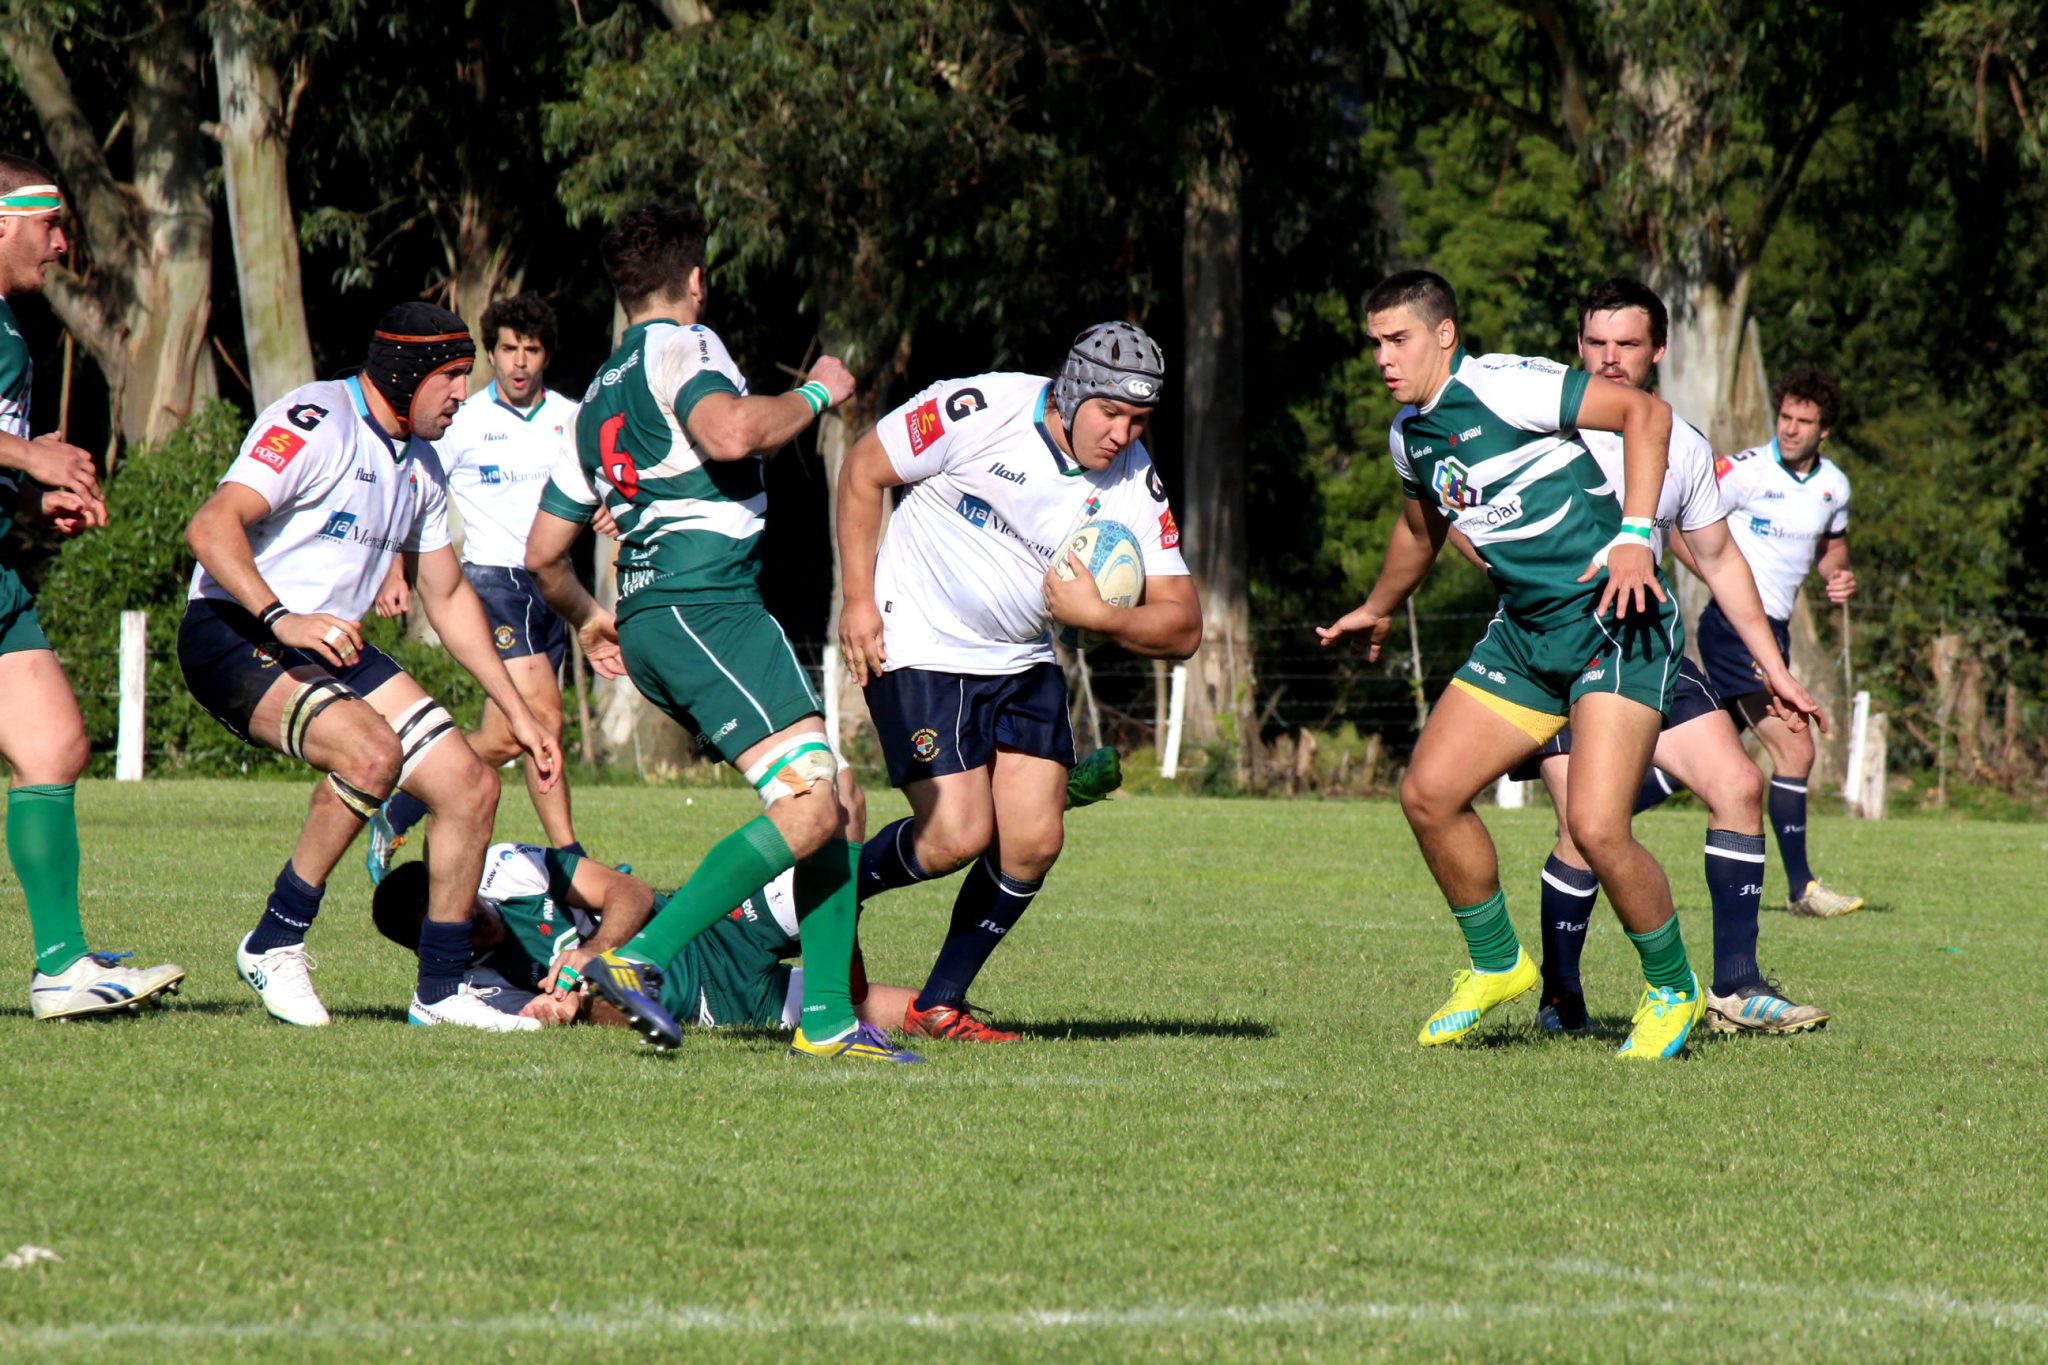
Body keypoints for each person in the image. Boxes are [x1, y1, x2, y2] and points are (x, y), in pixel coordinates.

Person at [524, 200, 920, 1063]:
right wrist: (819, 389)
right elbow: (733, 429)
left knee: (837, 800)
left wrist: (593, 619)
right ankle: (639, 958)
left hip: (667, 616)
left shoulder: (589, 401)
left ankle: (824, 1018)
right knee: (817, 805)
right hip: (708, 608)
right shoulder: (687, 346)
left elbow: (543, 554)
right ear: (694, 281)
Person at [1318, 269, 1701, 1060]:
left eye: (1401, 340)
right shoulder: (1408, 434)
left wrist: (1635, 534)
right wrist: (1380, 603)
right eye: (1376, 344)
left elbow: (1645, 411)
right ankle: (1497, 963)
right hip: (1526, 636)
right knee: (1427, 793)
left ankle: (1672, 987)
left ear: (1445, 335)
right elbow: (1420, 531)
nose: (1386, 358)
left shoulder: (1504, 385)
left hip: (1613, 621)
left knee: (1595, 827)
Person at [179, 301, 562, 1032]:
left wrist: (519, 714)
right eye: (451, 376)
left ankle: (441, 992)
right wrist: (280, 616)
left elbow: (446, 596)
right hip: (233, 630)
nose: (461, 394)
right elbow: (211, 525)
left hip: (330, 649)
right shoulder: (317, 419)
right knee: (371, 753)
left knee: (470, 786)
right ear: (408, 373)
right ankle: (274, 941)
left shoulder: (420, 465)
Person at [836, 322, 1202, 1042]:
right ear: (1071, 392)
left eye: (1139, 419)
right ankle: (827, 889)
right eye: (1111, 413)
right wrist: (854, 599)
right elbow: (862, 469)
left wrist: (1101, 616)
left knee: (1033, 839)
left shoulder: (1134, 479)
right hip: (919, 639)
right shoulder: (982, 409)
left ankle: (940, 1001)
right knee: (955, 835)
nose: (1123, 434)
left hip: (1021, 658)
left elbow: (1184, 625)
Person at [1504, 279, 1829, 1036]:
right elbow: (1466, 516)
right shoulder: (1540, 425)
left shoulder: (1681, 444)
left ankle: (1736, 987)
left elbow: (1717, 560)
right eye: (1596, 343)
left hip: (1645, 640)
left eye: (1627, 344)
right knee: (1589, 825)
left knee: (1740, 783)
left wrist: (1773, 669)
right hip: (1556, 649)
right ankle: (1561, 994)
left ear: (1658, 351)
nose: (1610, 359)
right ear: (1576, 346)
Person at [0, 155, 185, 1018]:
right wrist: (28, 453)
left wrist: (38, 502)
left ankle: (63, 967)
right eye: (51, 225)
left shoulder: (14, 328)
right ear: (2, 222)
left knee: (55, 746)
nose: (62, 244)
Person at [369, 771, 920, 1036]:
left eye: (466, 911)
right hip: (716, 1002)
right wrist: (561, 1009)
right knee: (916, 1017)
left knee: (838, 797)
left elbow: (625, 891)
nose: (470, 927)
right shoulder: (466, 991)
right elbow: (550, 1018)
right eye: (451, 934)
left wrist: (599, 948)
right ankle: (856, 972)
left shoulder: (511, 868)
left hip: (717, 924)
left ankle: (931, 847)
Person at [367, 293, 585, 880]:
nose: (519, 362)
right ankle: (570, 861)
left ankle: (402, 802)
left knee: (506, 735)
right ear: (491, 352)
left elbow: (600, 489)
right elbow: (410, 489)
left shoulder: (570, 419)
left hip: (551, 589)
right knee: (543, 723)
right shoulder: (466, 421)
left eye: (531, 350)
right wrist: (395, 570)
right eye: (509, 349)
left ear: (546, 356)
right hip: (492, 585)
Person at [1641, 365, 1863, 918]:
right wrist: (1715, 580)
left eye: (1803, 421)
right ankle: (1803, 889)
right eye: (1785, 416)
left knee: (1699, 757)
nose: (1789, 429)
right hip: (1737, 628)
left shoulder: (1835, 485)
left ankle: (1592, 818)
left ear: (1823, 431)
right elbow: (1676, 522)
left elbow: (1833, 548)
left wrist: (1838, 573)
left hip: (1775, 630)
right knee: (1796, 746)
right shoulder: (1744, 471)